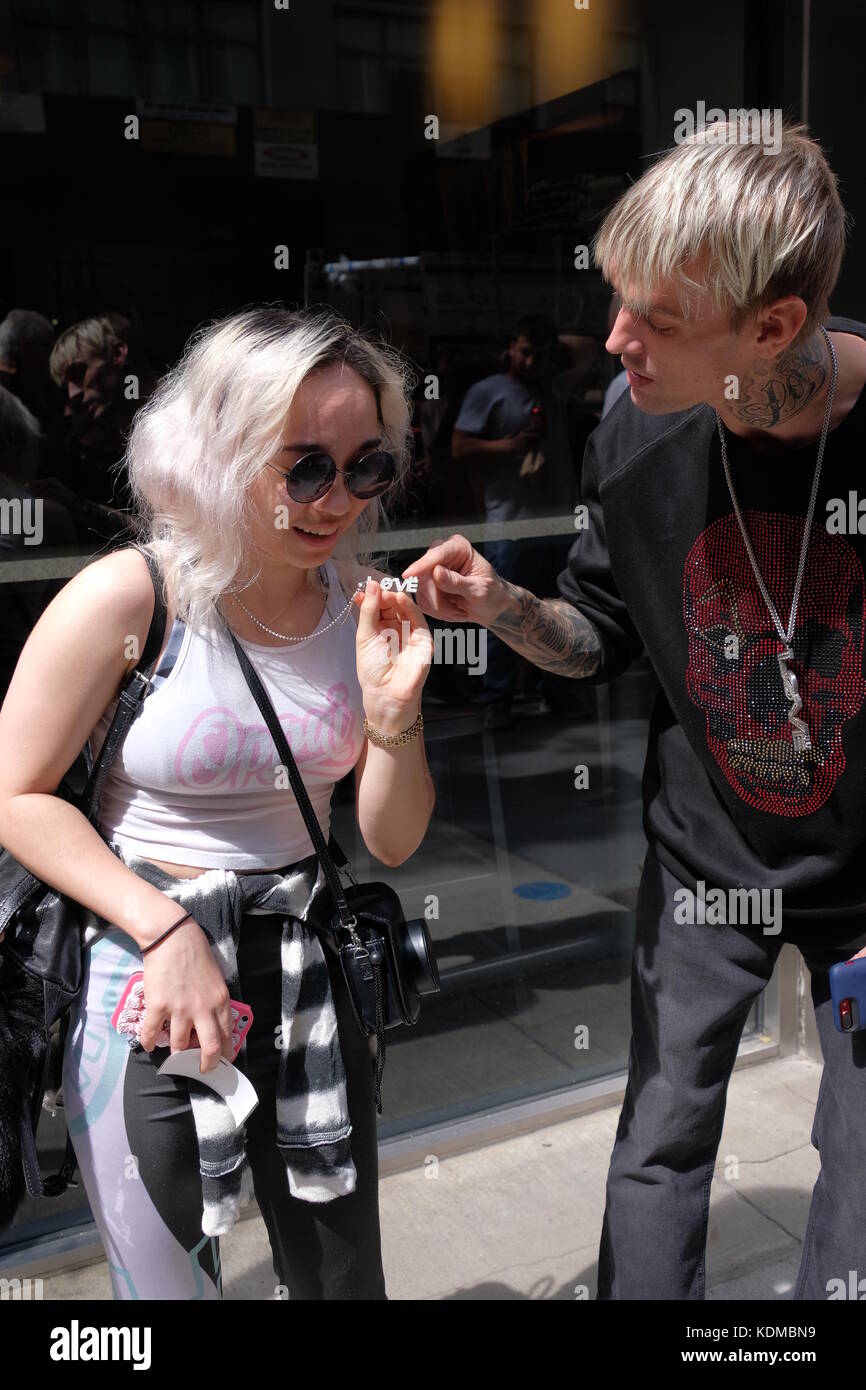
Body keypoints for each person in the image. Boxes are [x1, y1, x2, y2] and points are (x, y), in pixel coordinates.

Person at [405, 121, 866, 1300]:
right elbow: (597, 634)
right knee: (657, 1143)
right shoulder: (633, 418)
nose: (613, 343)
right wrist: (499, 603)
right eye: (615, 303)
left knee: (860, 1176)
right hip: (703, 852)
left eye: (656, 320)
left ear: (773, 329)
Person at [0, 305, 435, 1300]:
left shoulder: (360, 605)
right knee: (166, 1291)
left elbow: (389, 837)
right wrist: (165, 930)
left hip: (307, 975)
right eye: (304, 466)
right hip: (146, 978)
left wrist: (395, 714)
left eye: (365, 464)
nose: (338, 498)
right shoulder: (131, 598)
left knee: (341, 1283)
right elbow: (14, 793)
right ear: (215, 452)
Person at [451, 314, 596, 727]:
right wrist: (508, 445)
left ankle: (554, 688)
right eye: (525, 351)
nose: (532, 361)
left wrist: (550, 350)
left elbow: (588, 346)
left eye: (541, 353)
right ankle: (497, 695)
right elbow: (460, 446)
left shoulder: (554, 388)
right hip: (511, 522)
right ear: (510, 349)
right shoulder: (489, 391)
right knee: (498, 608)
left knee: (558, 608)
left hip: (557, 522)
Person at [48, 311, 156, 515]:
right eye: (67, 384)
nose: (73, 394)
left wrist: (80, 506)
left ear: (117, 354)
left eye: (79, 374)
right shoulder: (80, 445)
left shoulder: (181, 419)